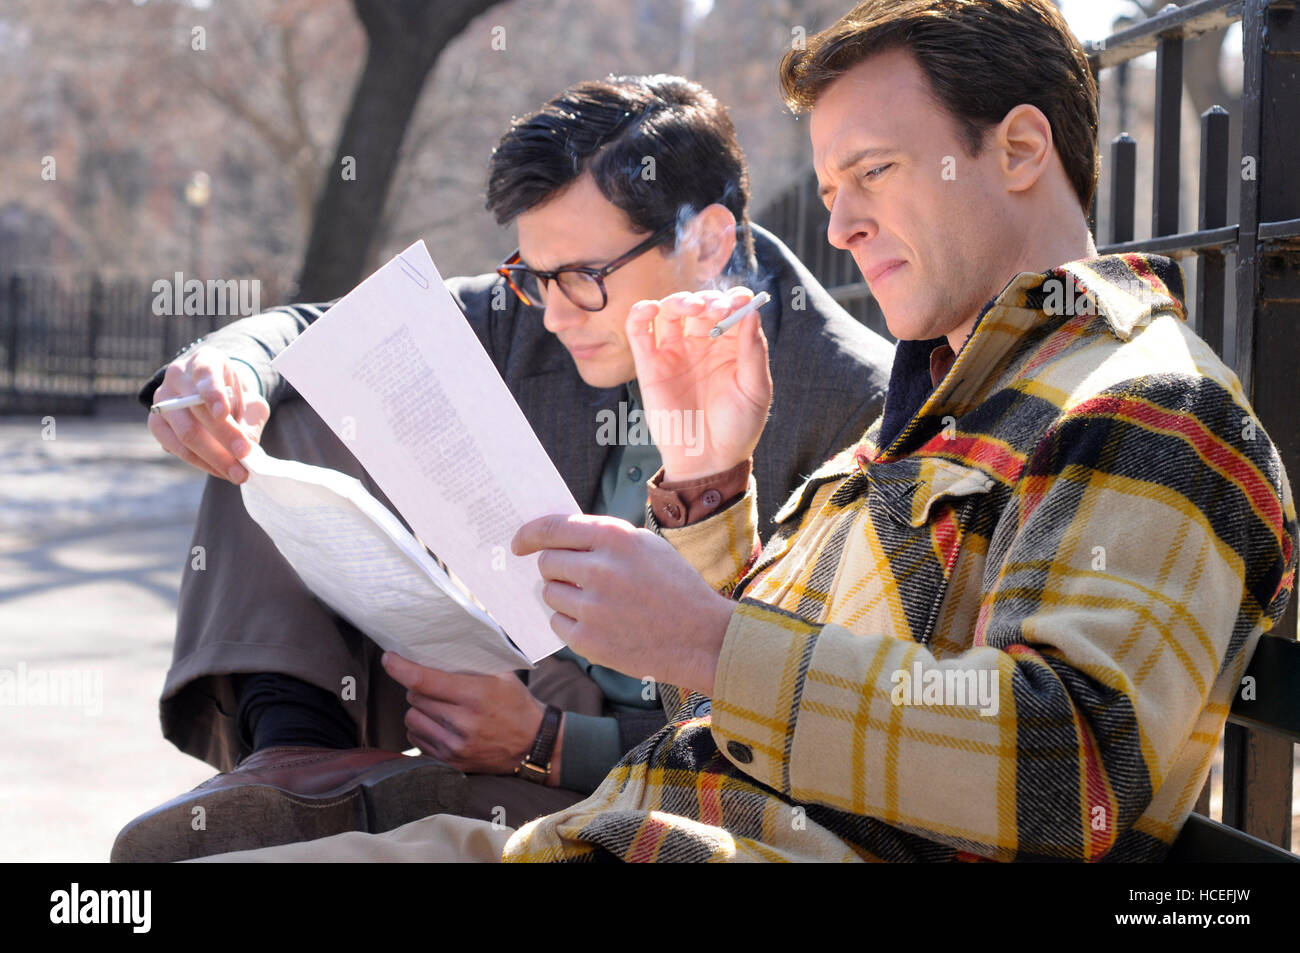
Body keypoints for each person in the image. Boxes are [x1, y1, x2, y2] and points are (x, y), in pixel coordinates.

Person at [191, 0, 1295, 863]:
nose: (843, 219)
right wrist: (712, 489)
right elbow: (741, 720)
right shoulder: (946, 402)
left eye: (874, 171)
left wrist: (705, 637)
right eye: (829, 183)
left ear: (1016, 151)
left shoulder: (1150, 405)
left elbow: (1071, 769)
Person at [110, 74, 895, 862]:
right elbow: (325, 329)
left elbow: (819, 726)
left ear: (708, 241)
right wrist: (226, 372)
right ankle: (295, 759)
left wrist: (548, 740)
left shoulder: (854, 407)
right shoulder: (545, 304)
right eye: (534, 273)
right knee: (282, 399)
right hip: (489, 661)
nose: (551, 315)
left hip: (653, 759)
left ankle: (344, 806)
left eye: (583, 279)